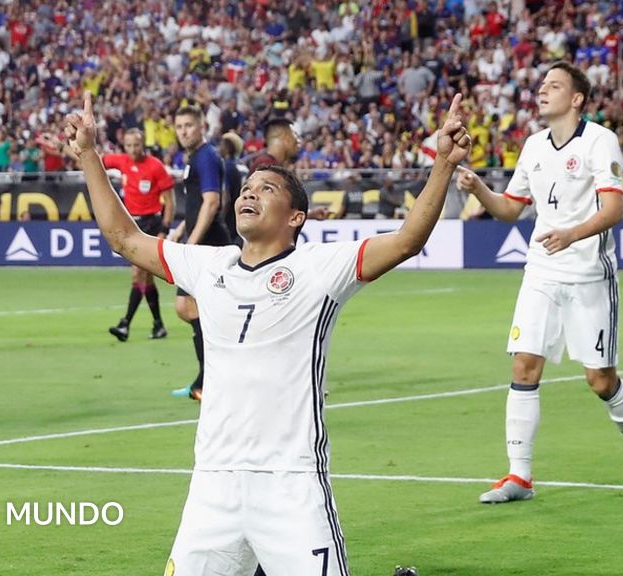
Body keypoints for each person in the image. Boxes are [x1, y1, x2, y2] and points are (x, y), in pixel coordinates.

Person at [64, 91, 470, 576]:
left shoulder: (320, 268)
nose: (249, 193)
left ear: (296, 217)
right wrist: (89, 154)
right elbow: (124, 239)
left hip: (291, 484)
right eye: (248, 187)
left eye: (267, 189)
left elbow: (407, 240)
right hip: (213, 484)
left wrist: (443, 163)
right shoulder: (208, 265)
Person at [455, 61, 623, 504]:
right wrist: (477, 189)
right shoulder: (531, 146)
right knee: (523, 367)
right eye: (541, 83)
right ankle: (519, 478)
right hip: (541, 272)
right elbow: (510, 209)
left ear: (577, 98)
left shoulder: (600, 141)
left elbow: (612, 210)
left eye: (554, 85)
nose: (542, 90)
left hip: (589, 275)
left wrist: (570, 234)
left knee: (601, 381)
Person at [167, 105, 232, 401]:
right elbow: (196, 205)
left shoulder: (206, 157)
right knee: (191, 308)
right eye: (179, 126)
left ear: (201, 126)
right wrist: (181, 229)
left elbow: (211, 202)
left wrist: (191, 243)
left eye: (188, 126)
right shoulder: (192, 158)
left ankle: (208, 382)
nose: (183, 131)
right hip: (200, 239)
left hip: (209, 244)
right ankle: (206, 380)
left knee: (189, 307)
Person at [103, 128, 176, 341]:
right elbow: (94, 160)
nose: (133, 150)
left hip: (151, 225)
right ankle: (158, 325)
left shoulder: (156, 167)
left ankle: (125, 324)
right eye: (129, 146)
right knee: (147, 279)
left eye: (136, 145)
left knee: (138, 275)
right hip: (131, 224)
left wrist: (164, 229)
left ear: (143, 144)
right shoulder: (122, 161)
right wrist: (65, 148)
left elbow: (170, 203)